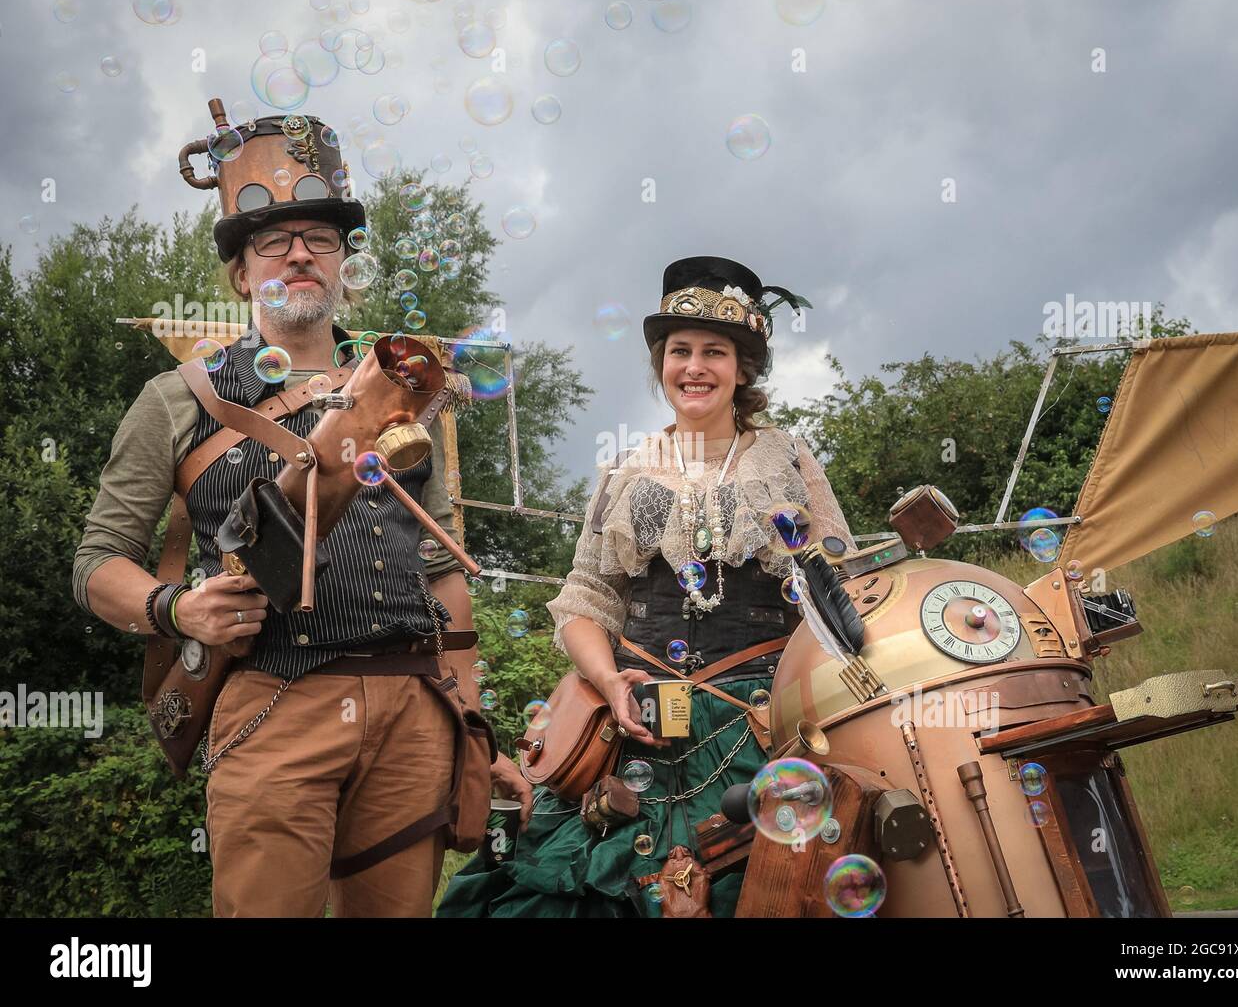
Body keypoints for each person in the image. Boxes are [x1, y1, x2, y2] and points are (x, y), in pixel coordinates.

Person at [71, 104, 531, 918]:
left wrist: (472, 718)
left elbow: (442, 576)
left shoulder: (405, 386)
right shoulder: (177, 400)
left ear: (344, 264)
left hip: (413, 708)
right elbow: (96, 562)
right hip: (273, 700)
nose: (298, 253)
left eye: (320, 238)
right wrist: (176, 608)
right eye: (272, 241)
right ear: (242, 275)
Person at [438, 256, 856, 918]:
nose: (694, 367)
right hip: (637, 725)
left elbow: (838, 591)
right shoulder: (625, 471)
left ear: (743, 369)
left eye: (714, 352)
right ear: (661, 363)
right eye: (679, 351)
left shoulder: (788, 460)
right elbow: (585, 600)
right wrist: (608, 681)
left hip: (762, 724)